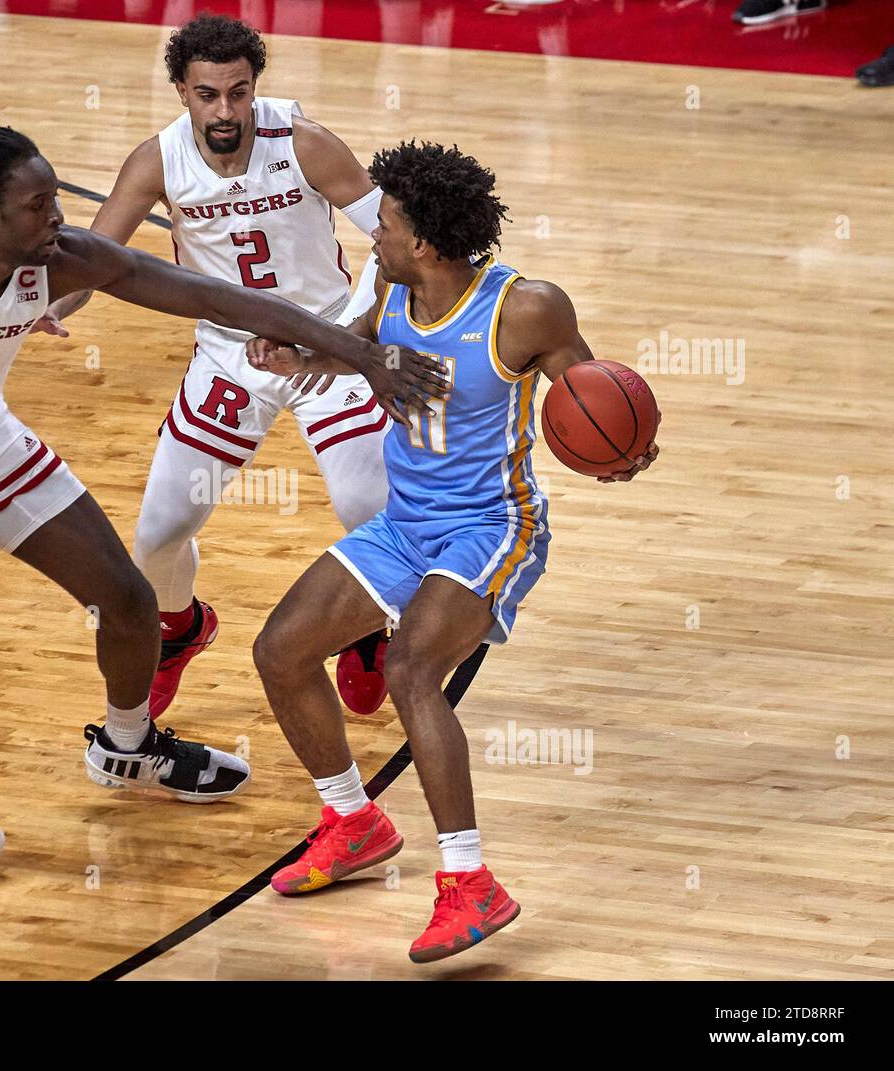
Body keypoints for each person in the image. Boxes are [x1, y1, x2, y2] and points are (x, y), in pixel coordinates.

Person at [0, 125, 448, 907]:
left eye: (57, 198)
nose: (58, 215)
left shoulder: (58, 262)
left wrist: (360, 351)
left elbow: (212, 296)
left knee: (131, 600)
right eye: (40, 204)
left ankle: (128, 746)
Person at [247, 141, 659, 963]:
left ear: (428, 241)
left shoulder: (526, 308)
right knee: (280, 650)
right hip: (406, 524)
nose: (377, 232)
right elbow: (353, 348)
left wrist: (622, 449)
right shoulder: (390, 292)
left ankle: (470, 881)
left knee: (408, 670)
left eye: (388, 222)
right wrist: (294, 354)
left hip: (493, 527)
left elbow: (590, 396)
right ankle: (353, 820)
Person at [37, 13, 485, 721]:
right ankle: (180, 626)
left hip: (326, 341)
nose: (225, 111)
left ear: (255, 89)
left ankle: (365, 629)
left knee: (368, 507)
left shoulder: (304, 144)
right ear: (181, 91)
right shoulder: (155, 161)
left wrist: (347, 340)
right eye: (208, 94)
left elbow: (392, 243)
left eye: (238, 94)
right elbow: (98, 259)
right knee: (157, 536)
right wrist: (49, 300)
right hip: (230, 354)